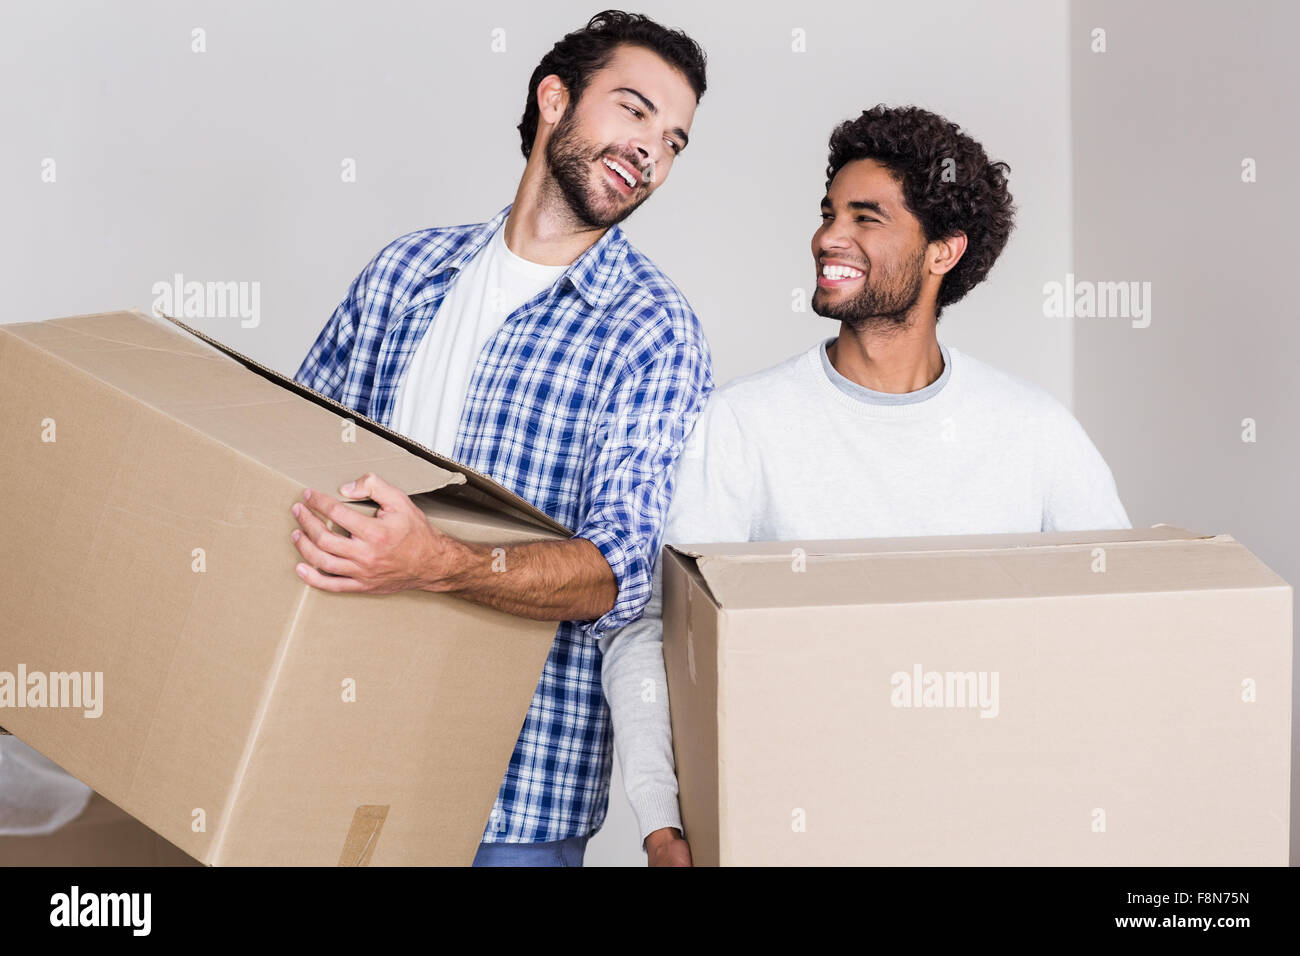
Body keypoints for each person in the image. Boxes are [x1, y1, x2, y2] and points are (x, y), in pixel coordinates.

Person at [600, 104, 1130, 866]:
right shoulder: (742, 424)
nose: (827, 237)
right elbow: (654, 629)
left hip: (990, 833)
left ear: (943, 251)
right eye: (828, 213)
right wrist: (660, 820)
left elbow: (1119, 624)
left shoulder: (1034, 432)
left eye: (866, 217)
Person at [290, 10, 712, 867]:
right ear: (554, 100)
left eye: (673, 141)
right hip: (329, 743)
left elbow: (622, 575)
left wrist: (435, 562)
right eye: (633, 111)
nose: (650, 152)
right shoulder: (406, 273)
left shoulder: (654, 332)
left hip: (514, 800)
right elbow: (290, 458)